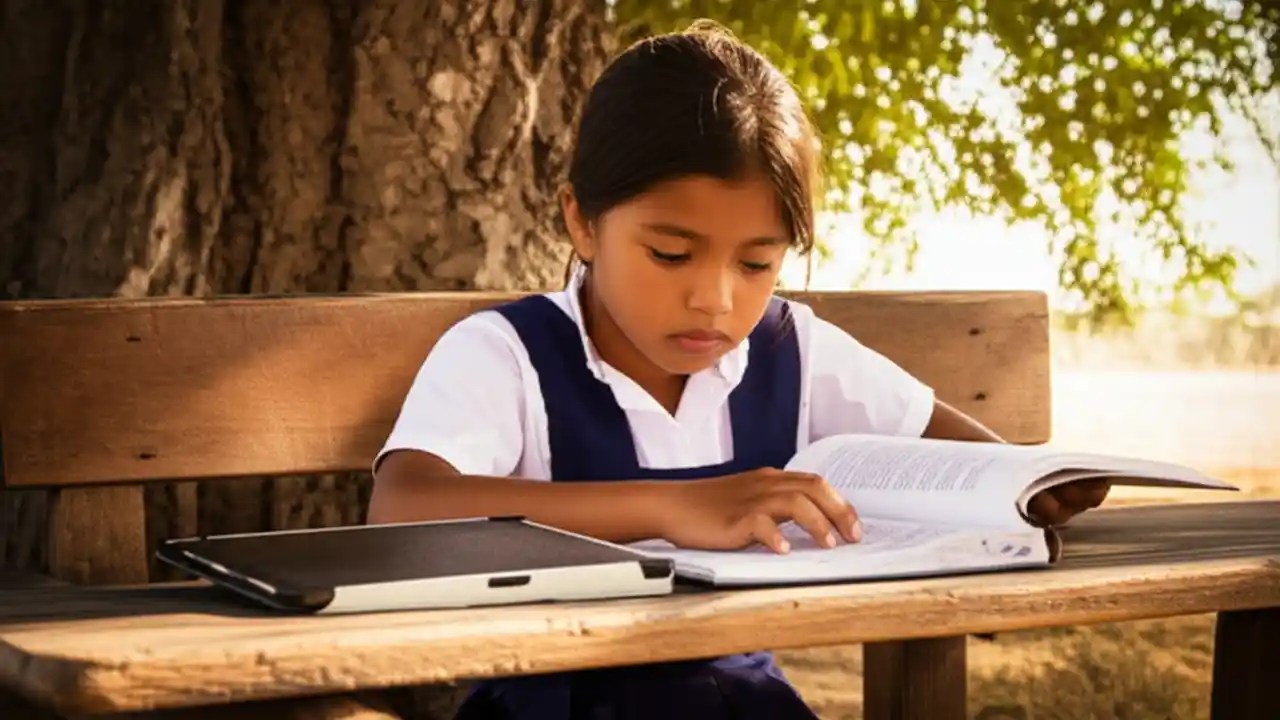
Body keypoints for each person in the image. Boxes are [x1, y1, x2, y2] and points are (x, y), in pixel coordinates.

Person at [368, 21, 1108, 720]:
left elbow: (971, 462)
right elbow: (402, 509)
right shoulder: (509, 353)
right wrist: (673, 507)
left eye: (758, 263)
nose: (715, 300)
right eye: (670, 254)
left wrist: (1033, 487)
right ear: (581, 222)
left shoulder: (794, 350)